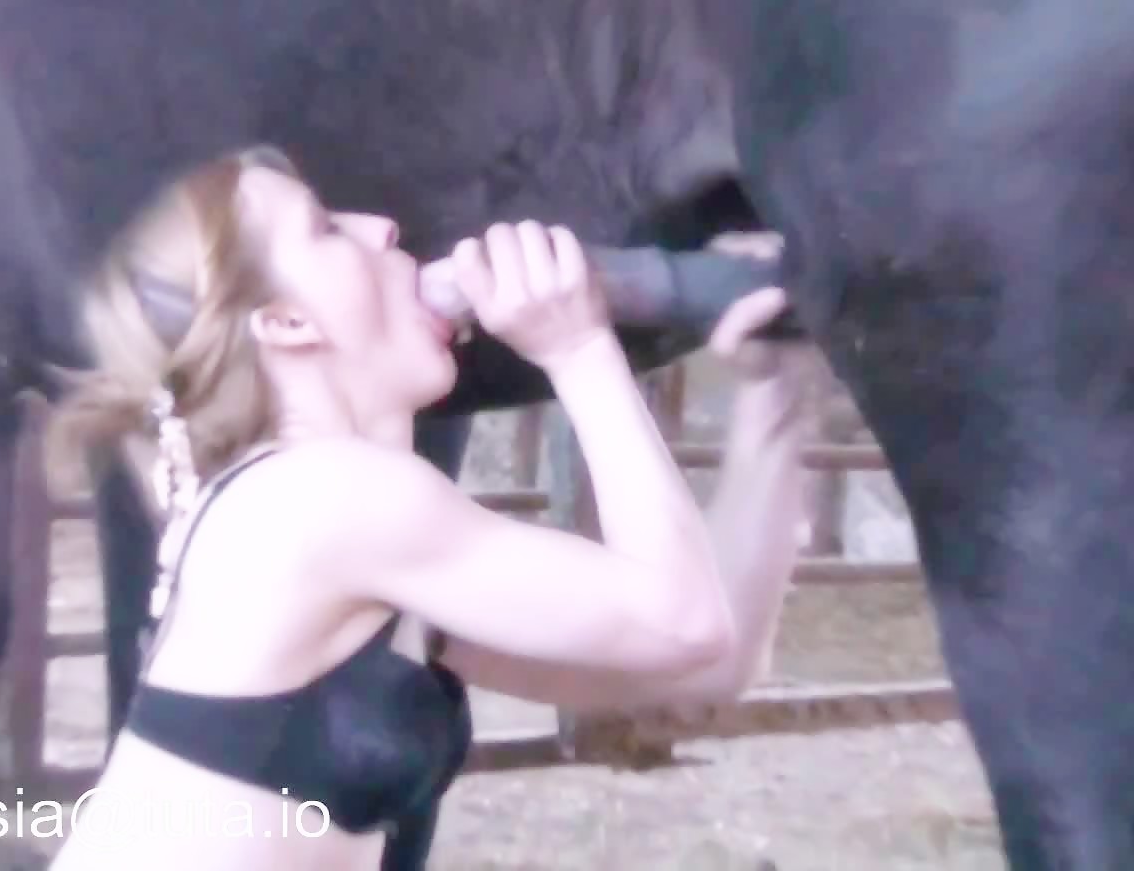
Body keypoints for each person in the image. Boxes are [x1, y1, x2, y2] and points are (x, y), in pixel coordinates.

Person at [43, 146, 817, 870]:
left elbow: (703, 666)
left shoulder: (327, 532)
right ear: (286, 321)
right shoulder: (320, 497)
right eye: (326, 230)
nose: (383, 227)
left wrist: (777, 398)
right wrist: (578, 348)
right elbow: (684, 621)